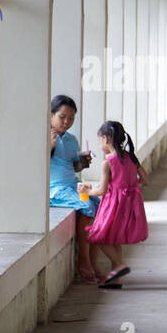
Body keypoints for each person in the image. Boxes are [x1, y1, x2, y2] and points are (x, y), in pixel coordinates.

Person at [83, 121, 149, 288]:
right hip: (130, 204)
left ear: (105, 139)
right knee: (115, 239)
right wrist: (130, 187)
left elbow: (102, 190)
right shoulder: (130, 158)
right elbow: (145, 179)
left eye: (99, 140)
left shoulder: (108, 162)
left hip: (113, 205)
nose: (99, 144)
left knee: (100, 236)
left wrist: (86, 190)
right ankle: (115, 279)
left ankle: (120, 265)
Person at [48, 94, 104, 284]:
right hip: (55, 190)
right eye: (62, 117)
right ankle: (84, 261)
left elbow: (74, 167)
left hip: (72, 184)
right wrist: (48, 148)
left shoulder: (71, 139)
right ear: (51, 115)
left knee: (101, 208)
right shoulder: (43, 136)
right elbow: (33, 167)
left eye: (71, 118)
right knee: (86, 207)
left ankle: (94, 263)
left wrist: (83, 162)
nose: (66, 122)